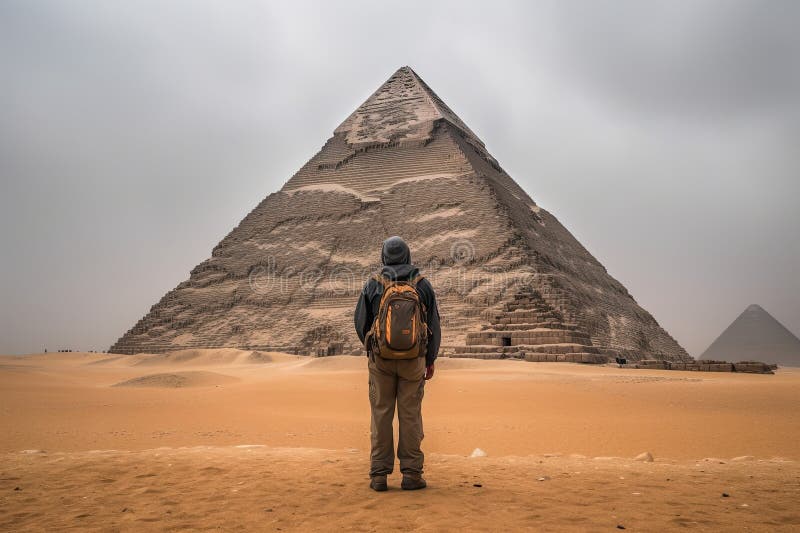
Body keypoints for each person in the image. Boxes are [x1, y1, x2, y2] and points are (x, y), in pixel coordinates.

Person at [354, 236, 441, 491]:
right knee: (411, 416)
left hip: (380, 361)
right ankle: (412, 474)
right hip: (414, 360)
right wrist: (430, 358)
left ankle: (379, 476)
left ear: (384, 256)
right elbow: (434, 324)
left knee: (381, 415)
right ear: (407, 255)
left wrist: (373, 346)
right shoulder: (422, 284)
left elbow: (360, 322)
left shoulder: (373, 284)